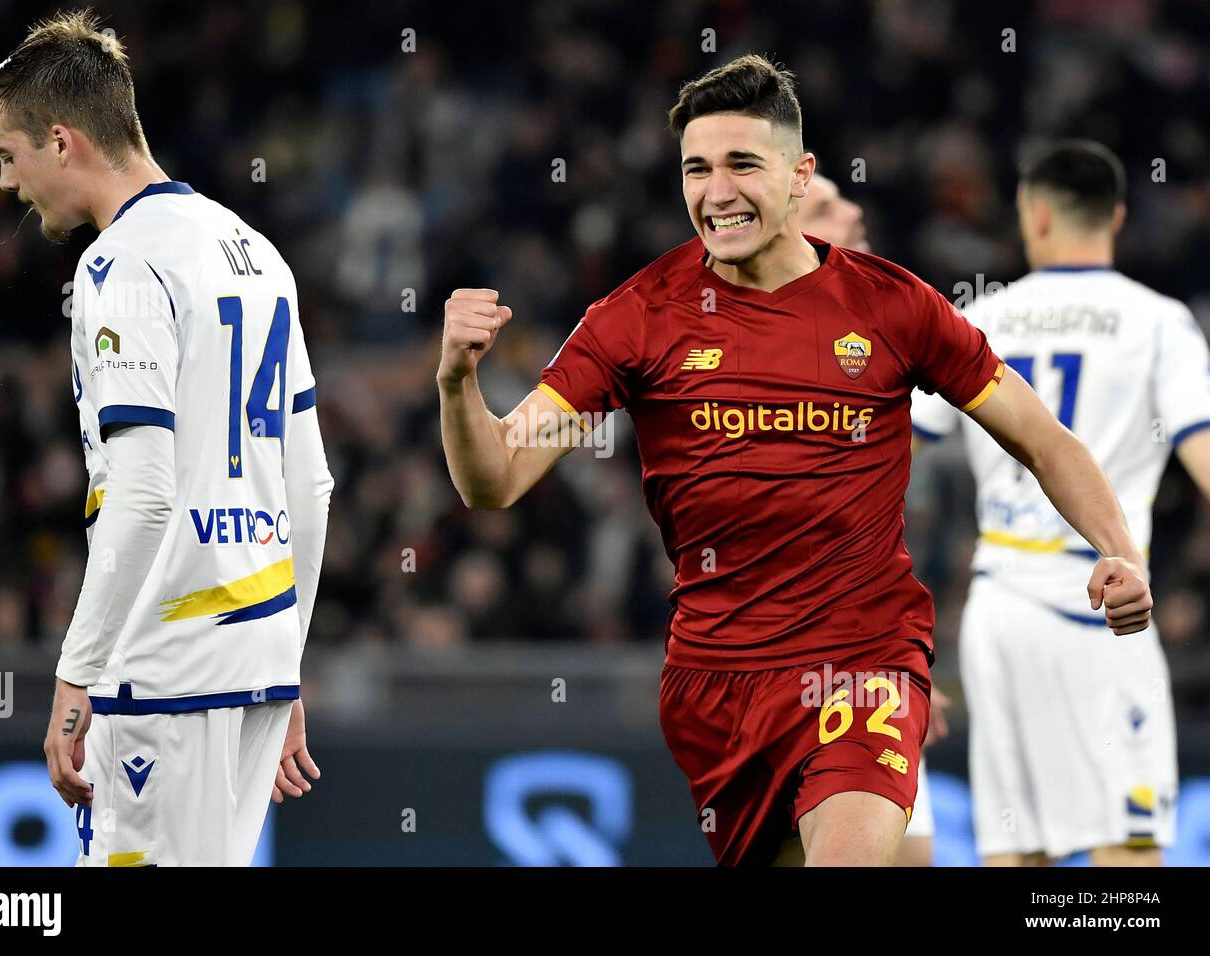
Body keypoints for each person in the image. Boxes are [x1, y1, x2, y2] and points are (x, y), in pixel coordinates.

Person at [438, 54, 1153, 866]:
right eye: (696, 169)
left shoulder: (893, 306)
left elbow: (1042, 437)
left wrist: (1121, 553)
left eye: (743, 163)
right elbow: (494, 479)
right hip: (716, 685)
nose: (717, 192)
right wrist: (458, 382)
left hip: (865, 662)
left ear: (798, 173)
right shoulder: (635, 319)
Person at [0, 11, 334, 865]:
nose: (6, 184)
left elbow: (143, 494)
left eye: (7, 154)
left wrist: (77, 675)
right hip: (252, 662)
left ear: (61, 142)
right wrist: (283, 667)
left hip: (163, 672)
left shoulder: (121, 265)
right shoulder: (254, 252)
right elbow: (311, 485)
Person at [912, 140, 1210, 866]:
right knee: (1129, 843)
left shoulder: (984, 316)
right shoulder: (1156, 321)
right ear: (1115, 216)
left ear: (1035, 216)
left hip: (1000, 605)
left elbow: (885, 464)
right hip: (1105, 604)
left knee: (1016, 846)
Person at [791, 171, 947, 867]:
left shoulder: (886, 320)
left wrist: (905, 660)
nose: (854, 208)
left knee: (912, 856)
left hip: (871, 657)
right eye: (826, 206)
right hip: (778, 664)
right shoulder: (743, 352)